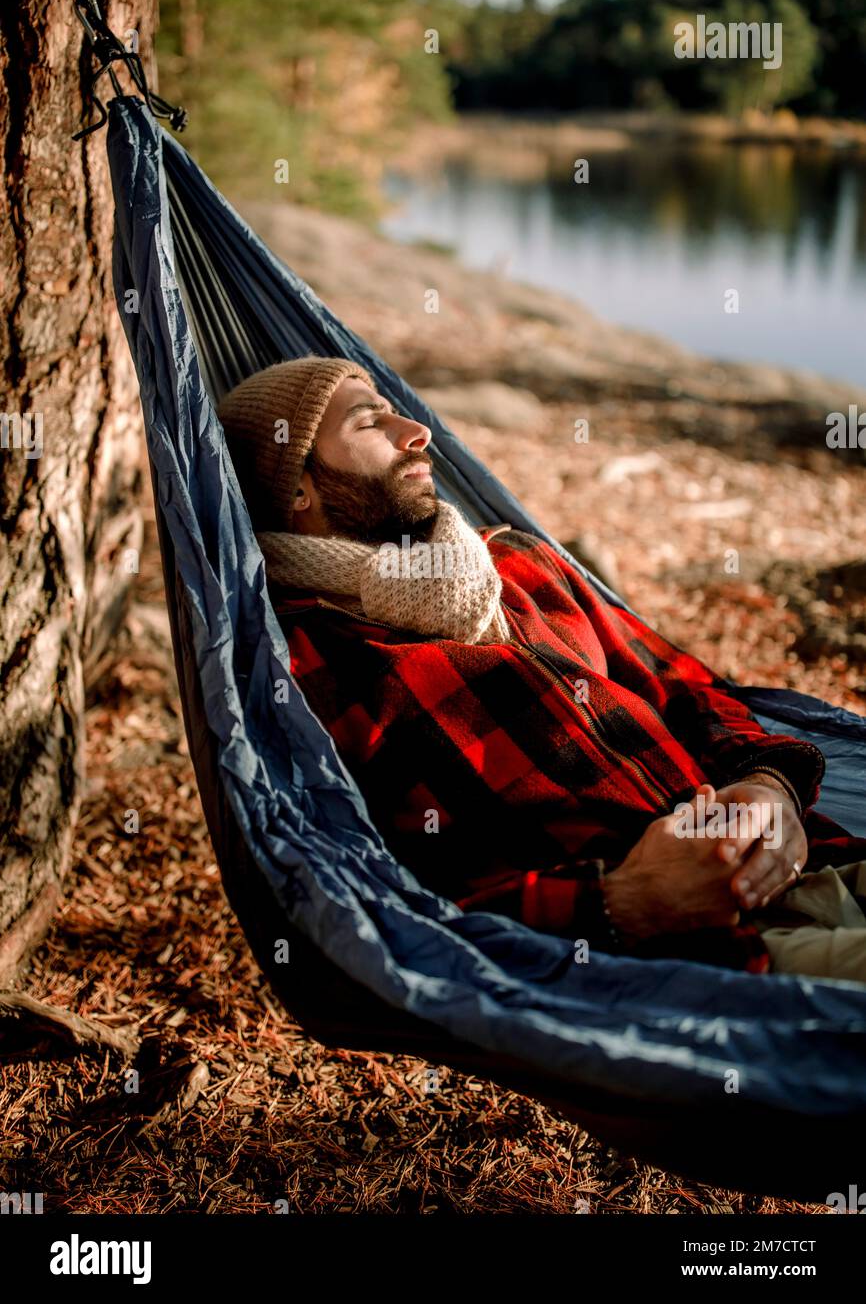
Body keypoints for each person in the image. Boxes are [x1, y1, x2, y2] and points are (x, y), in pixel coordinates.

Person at [217, 355, 866, 982]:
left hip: (804, 861)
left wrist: (771, 786)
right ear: (297, 488)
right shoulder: (307, 665)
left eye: (397, 414)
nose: (417, 433)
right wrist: (625, 902)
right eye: (368, 423)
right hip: (680, 966)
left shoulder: (518, 562)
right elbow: (375, 911)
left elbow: (687, 688)